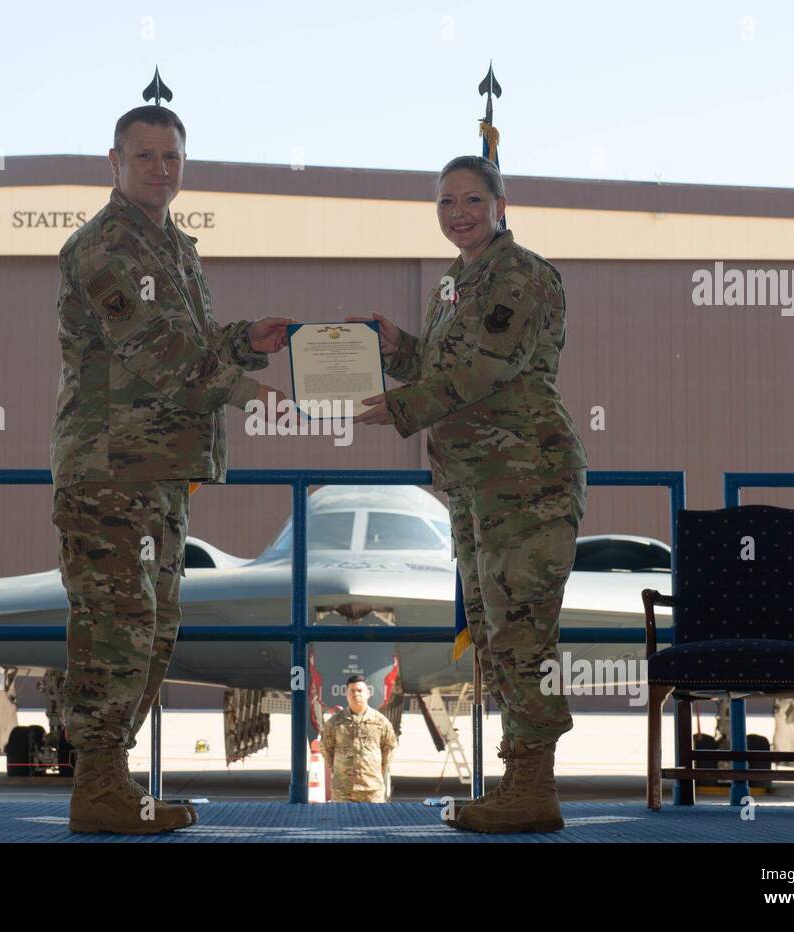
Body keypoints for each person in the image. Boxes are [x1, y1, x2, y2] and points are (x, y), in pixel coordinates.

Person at [50, 104, 292, 834]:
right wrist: (259, 396)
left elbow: (189, 343)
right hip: (111, 469)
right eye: (145, 156)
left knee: (152, 627)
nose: (160, 168)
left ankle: (111, 782)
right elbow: (158, 356)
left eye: (171, 157)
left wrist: (247, 341)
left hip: (160, 470)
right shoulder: (104, 249)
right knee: (114, 622)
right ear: (114, 164)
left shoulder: (174, 247)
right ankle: (95, 784)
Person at [350, 155, 588, 833]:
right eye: (446, 203)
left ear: (500, 203)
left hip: (526, 478)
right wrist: (399, 351)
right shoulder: (458, 281)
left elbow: (485, 370)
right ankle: (519, 782)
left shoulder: (519, 274)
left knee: (524, 631)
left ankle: (535, 786)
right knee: (493, 631)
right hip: (479, 484)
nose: (459, 213)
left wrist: (398, 407)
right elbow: (447, 364)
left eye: (472, 200)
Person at [320, 676, 398, 802]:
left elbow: (390, 746)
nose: (356, 694)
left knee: (373, 821)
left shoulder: (380, 721)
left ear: (368, 693)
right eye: (352, 691)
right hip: (343, 790)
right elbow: (326, 747)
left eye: (360, 691)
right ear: (346, 694)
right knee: (341, 821)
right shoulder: (335, 722)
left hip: (371, 790)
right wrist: (338, 769)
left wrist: (377, 769)